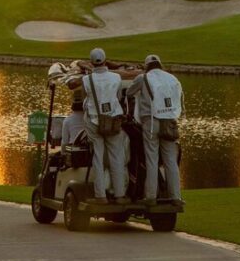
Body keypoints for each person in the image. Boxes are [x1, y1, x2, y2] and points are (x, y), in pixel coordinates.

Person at [68, 47, 129, 204]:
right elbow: (118, 96)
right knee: (116, 158)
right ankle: (120, 194)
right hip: (113, 121)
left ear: (92, 62)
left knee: (98, 158)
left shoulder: (87, 80)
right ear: (104, 60)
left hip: (94, 121)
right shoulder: (116, 78)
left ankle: (100, 195)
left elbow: (80, 94)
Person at [135, 53, 184, 205]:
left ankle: (150, 197)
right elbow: (180, 99)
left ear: (147, 66)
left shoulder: (143, 78)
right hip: (169, 122)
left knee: (152, 160)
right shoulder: (171, 78)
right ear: (159, 65)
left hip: (151, 122)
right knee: (170, 160)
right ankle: (176, 196)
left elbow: (130, 92)